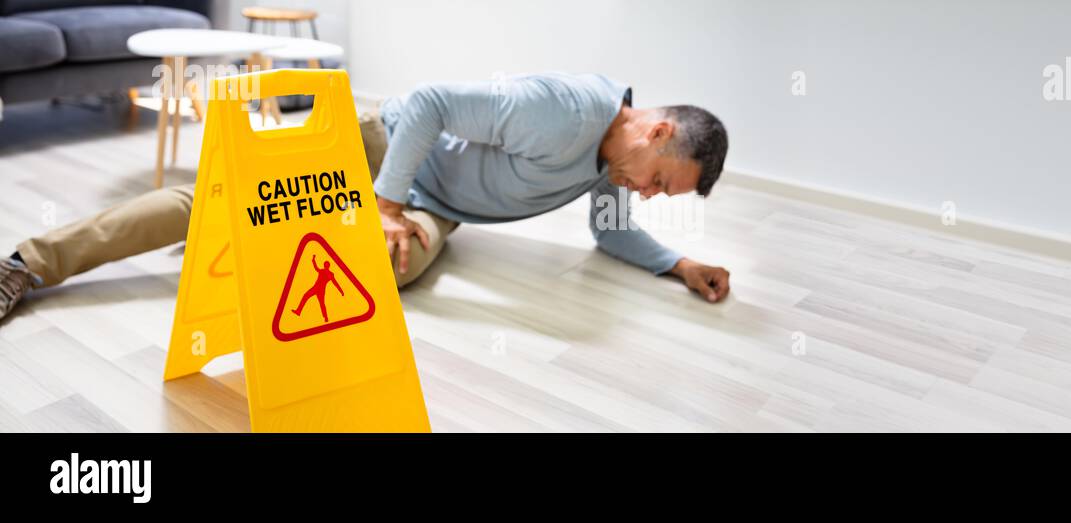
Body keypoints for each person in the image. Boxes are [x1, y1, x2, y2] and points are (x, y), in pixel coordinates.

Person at [0, 72, 732, 321]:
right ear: (657, 130)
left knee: (394, 270)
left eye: (662, 194)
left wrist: (678, 262)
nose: (648, 192)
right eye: (661, 181)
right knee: (222, 202)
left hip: (437, 199)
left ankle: (271, 235)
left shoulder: (615, 166)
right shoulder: (566, 110)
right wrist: (381, 201)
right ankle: (28, 262)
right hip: (387, 145)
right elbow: (432, 104)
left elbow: (609, 232)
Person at [292, 255, 343, 322]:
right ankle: (325, 317)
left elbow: (316, 268)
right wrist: (341, 291)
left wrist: (313, 259)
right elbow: (336, 284)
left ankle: (299, 311)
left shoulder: (324, 272)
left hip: (316, 288)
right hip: (320, 290)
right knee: (321, 303)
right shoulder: (330, 274)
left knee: (307, 297)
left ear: (325, 265)